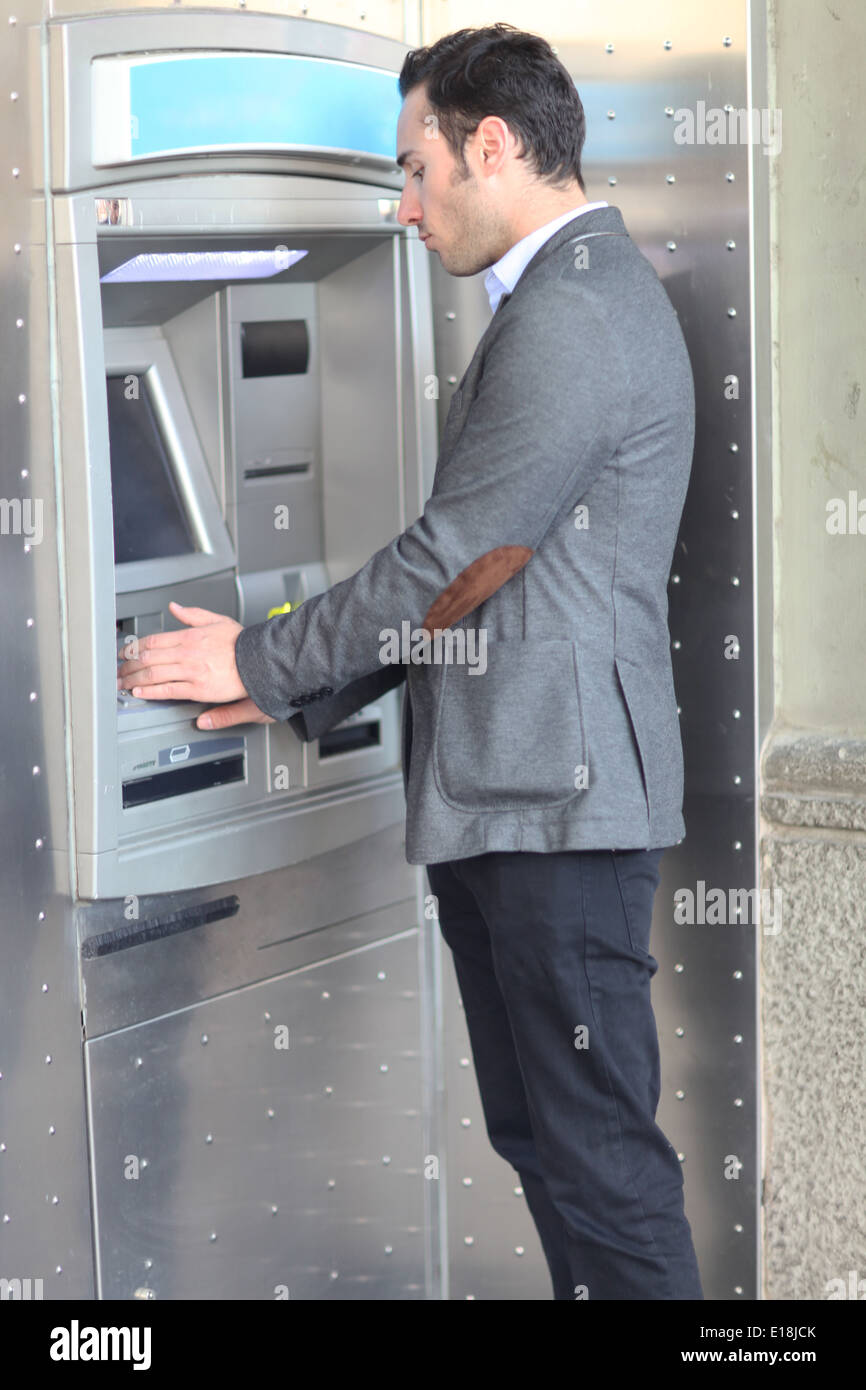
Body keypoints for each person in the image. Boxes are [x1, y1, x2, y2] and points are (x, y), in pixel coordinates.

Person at [118, 23, 703, 1300]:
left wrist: (270, 660)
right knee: (550, 1146)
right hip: (524, 802)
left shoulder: (573, 312)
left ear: (490, 146)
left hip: (559, 813)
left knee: (597, 1162)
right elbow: (483, 572)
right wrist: (290, 682)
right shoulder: (568, 297)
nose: (404, 204)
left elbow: (459, 557)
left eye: (415, 168)